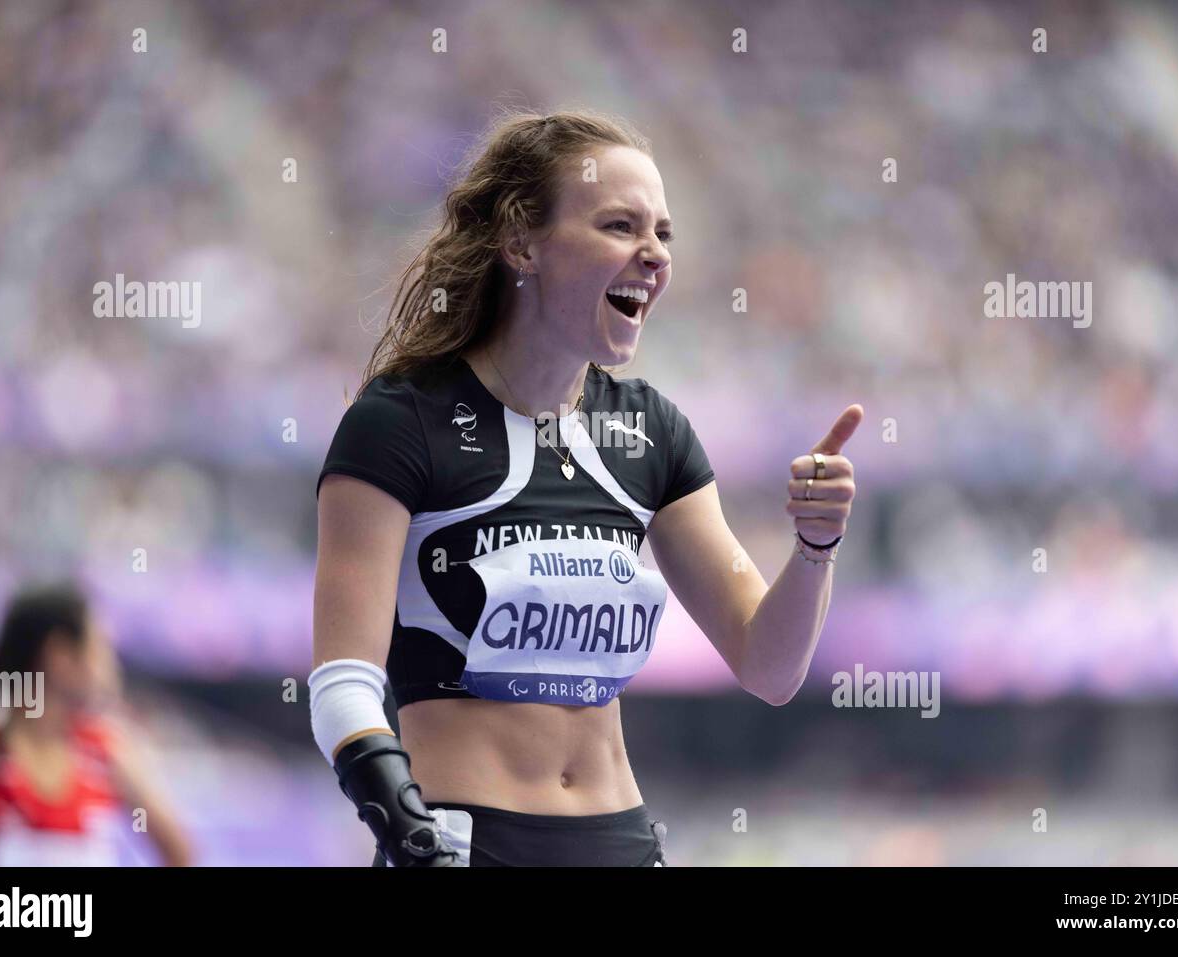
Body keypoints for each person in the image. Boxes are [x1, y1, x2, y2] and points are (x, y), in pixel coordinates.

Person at [311, 109, 862, 866]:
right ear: (521, 243)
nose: (655, 256)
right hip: (463, 843)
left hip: (621, 840)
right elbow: (342, 685)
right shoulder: (399, 422)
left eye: (664, 234)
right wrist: (410, 835)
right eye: (619, 225)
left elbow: (769, 665)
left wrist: (815, 545)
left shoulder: (651, 431)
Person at [0, 583, 192, 867]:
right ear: (59, 656)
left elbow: (180, 852)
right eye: (101, 650)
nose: (112, 667)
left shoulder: (108, 752)